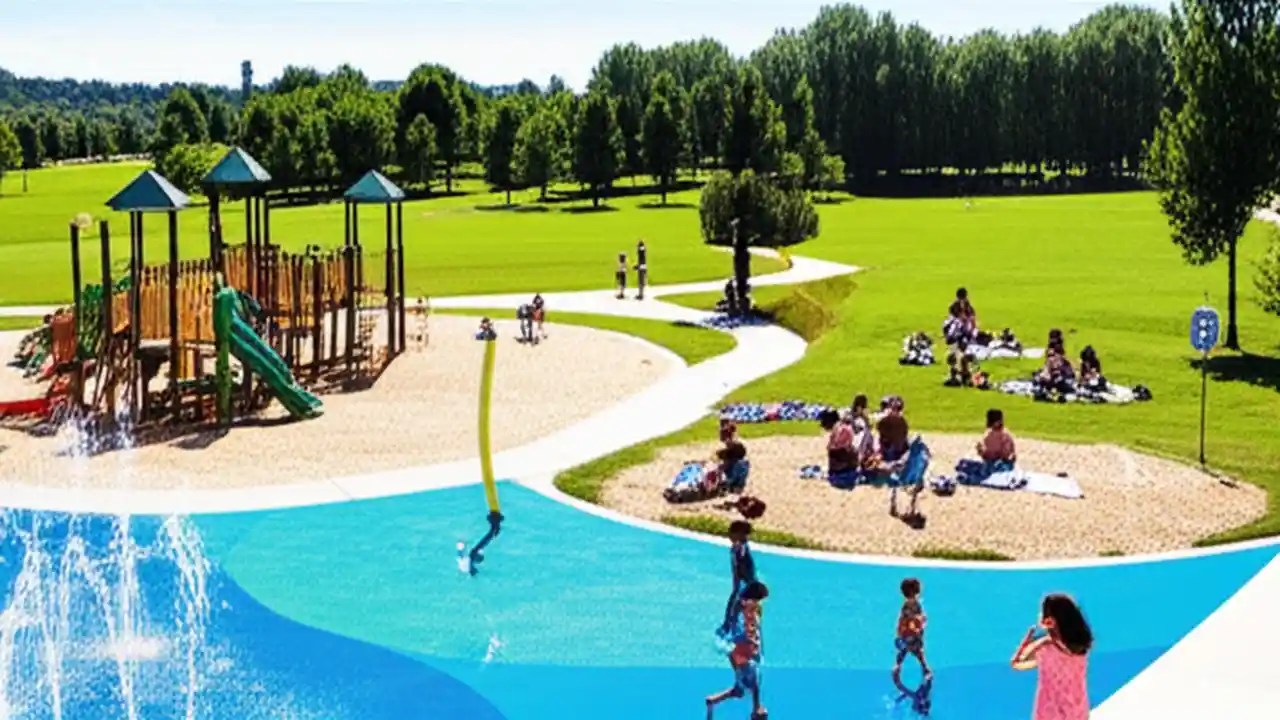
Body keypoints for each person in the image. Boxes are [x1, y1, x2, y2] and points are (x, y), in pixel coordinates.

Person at [1011, 593, 1093, 720]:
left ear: (1049, 621)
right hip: (1077, 712)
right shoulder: (1081, 648)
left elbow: (1017, 664)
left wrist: (1026, 643)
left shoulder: (1044, 648)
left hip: (1049, 714)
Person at [707, 581, 769, 720]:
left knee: (741, 689)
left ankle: (712, 701)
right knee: (753, 683)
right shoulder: (744, 612)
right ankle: (756, 708)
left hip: (744, 654)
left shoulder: (752, 610)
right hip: (743, 654)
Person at [894, 578, 932, 683]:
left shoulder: (916, 605)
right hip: (908, 633)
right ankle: (898, 666)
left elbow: (919, 617)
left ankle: (923, 667)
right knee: (908, 651)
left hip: (914, 633)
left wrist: (921, 622)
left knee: (914, 651)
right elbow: (903, 619)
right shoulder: (907, 606)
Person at [722, 521, 758, 630]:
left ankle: (731, 627)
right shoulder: (739, 547)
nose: (728, 535)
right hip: (743, 582)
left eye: (731, 533)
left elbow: (741, 565)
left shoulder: (740, 548)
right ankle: (732, 625)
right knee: (736, 605)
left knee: (737, 605)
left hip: (745, 582)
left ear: (739, 534)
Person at [819, 409, 858, 479]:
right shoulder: (842, 426)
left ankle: (839, 469)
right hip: (851, 463)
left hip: (843, 465)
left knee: (833, 452)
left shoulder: (840, 429)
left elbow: (835, 447)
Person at [877, 397, 910, 463]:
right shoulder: (902, 420)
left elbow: (880, 429)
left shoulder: (886, 420)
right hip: (900, 449)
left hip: (891, 451)